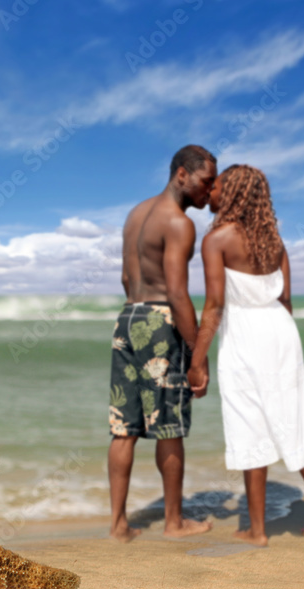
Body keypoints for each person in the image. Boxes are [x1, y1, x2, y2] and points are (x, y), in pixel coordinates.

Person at [187, 164, 304, 546]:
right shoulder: (275, 242)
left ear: (233, 192)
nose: (212, 190)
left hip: (245, 334)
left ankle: (256, 530)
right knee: (297, 419)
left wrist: (197, 360)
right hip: (282, 332)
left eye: (218, 184)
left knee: (249, 421)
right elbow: (286, 300)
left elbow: (215, 305)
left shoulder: (217, 239)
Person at [108, 145, 217, 541]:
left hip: (128, 317)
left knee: (124, 428)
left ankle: (119, 524)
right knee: (169, 426)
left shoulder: (135, 214)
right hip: (159, 323)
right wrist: (198, 356)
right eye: (206, 181)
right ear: (181, 175)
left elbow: (125, 278)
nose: (210, 190)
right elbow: (177, 293)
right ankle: (174, 522)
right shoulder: (179, 223)